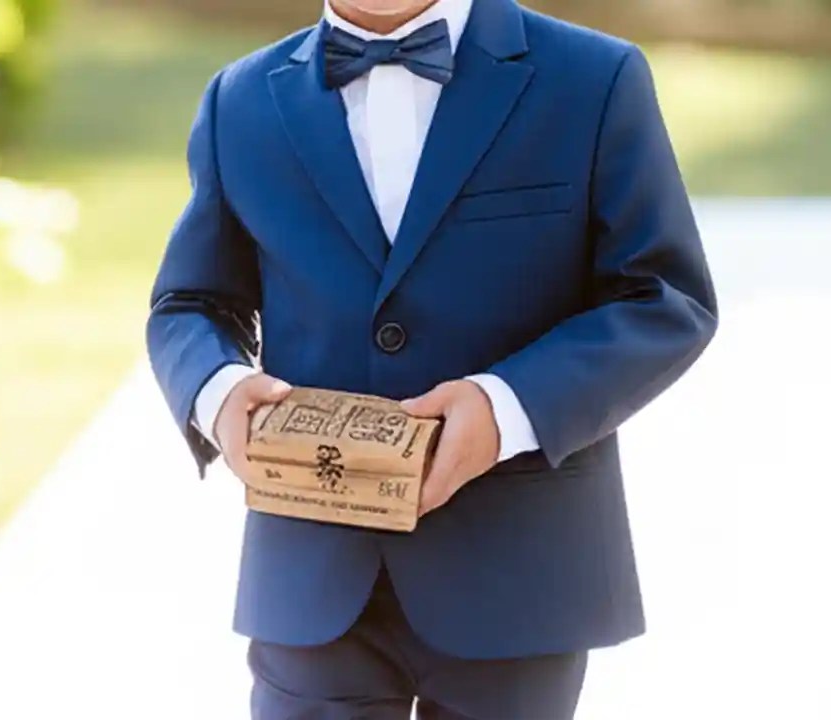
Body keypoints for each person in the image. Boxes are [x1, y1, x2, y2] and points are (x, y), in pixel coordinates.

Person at [147, 0, 718, 716]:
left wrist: (506, 406)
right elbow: (189, 304)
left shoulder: (593, 78)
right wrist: (219, 391)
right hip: (313, 569)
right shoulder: (241, 100)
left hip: (519, 574)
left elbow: (665, 298)